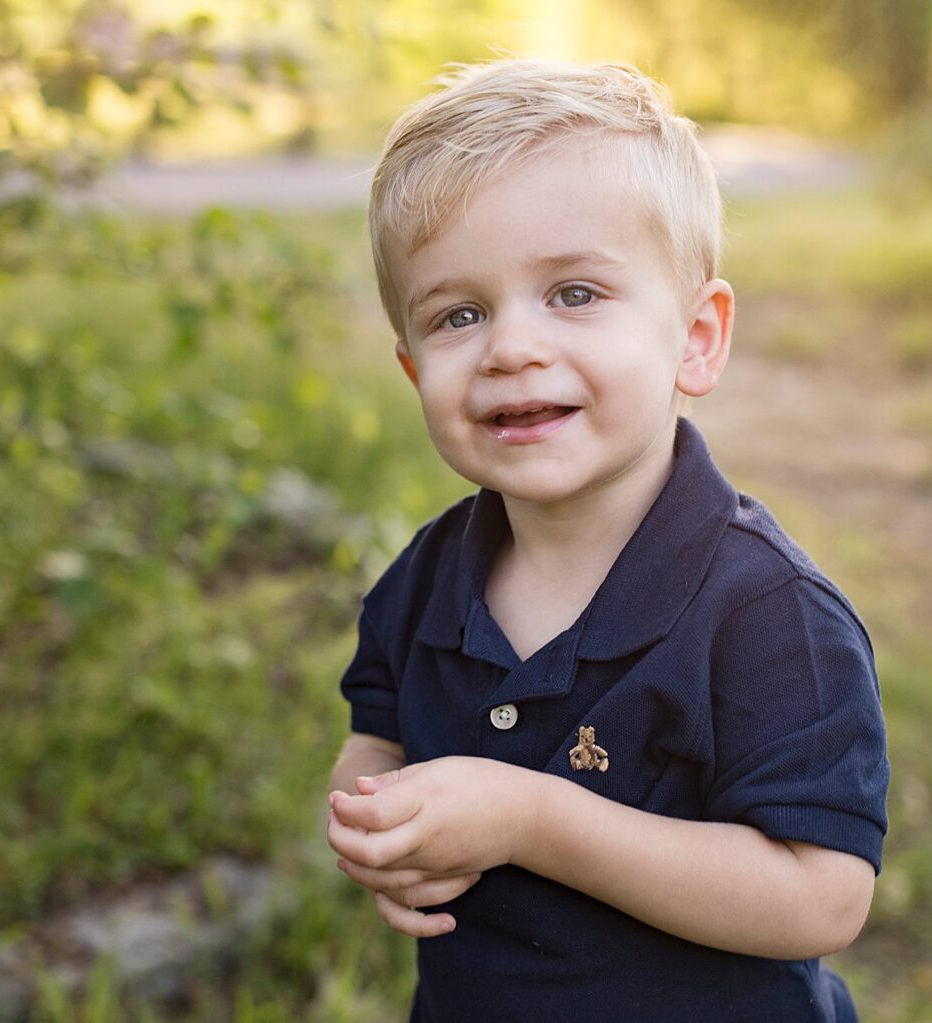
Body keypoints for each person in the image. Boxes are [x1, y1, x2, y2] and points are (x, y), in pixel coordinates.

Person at [325, 57, 889, 1023]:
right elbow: (376, 732)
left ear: (696, 338)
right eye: (459, 314)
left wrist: (532, 819)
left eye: (574, 293)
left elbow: (821, 894)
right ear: (414, 368)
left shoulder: (762, 609)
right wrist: (379, 821)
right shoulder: (430, 576)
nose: (511, 347)